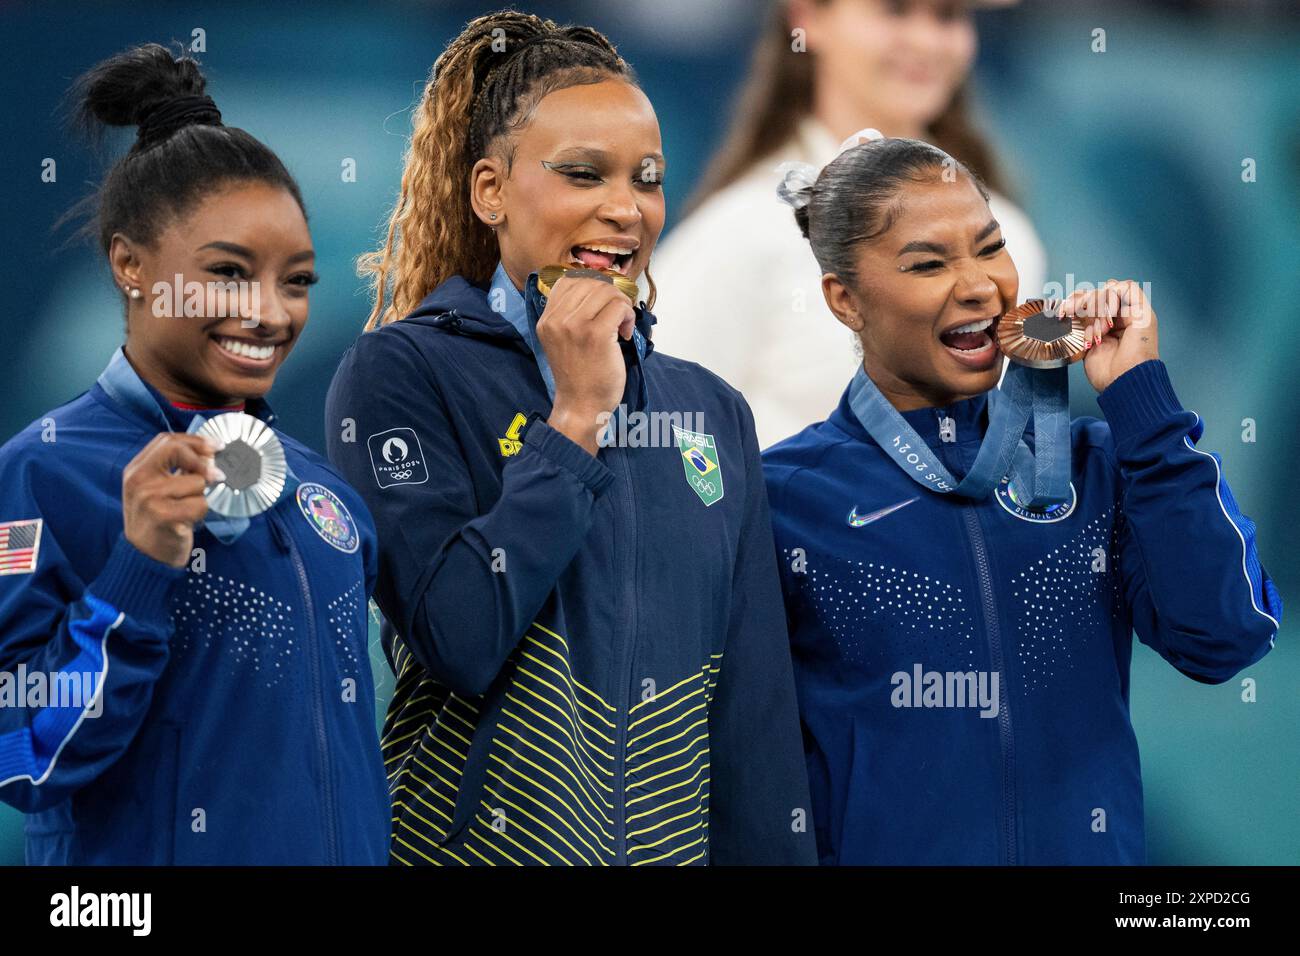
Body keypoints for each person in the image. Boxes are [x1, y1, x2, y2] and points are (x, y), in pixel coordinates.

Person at [326, 10, 815, 866]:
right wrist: (577, 417)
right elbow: (460, 638)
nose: (625, 209)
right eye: (584, 174)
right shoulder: (399, 375)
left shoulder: (713, 413)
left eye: (648, 178)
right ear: (490, 192)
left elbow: (754, 726)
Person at [762, 132, 1283, 864]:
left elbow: (1227, 635)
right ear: (845, 299)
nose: (979, 285)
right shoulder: (785, 495)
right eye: (928, 263)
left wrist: (1142, 403)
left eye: (989, 247)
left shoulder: (1096, 463)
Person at [0, 44, 389, 864]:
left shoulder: (327, 500)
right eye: (228, 273)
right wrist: (136, 570)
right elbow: (23, 756)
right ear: (130, 265)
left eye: (298, 281)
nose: (270, 313)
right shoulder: (43, 472)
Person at [651, 0, 1044, 448]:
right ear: (807, 17)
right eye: (894, 11)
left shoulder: (1009, 231)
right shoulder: (741, 229)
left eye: (947, 17)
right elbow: (658, 431)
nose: (925, 41)